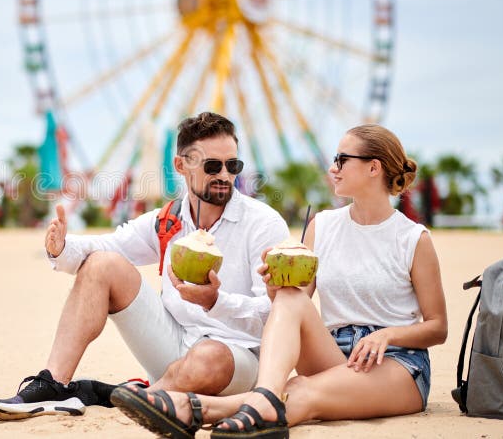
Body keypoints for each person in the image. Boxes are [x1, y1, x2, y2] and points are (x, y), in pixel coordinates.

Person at [112, 124, 448, 438]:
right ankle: (266, 395)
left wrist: (387, 335)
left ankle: (197, 408)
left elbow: (437, 327)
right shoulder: (323, 225)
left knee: (303, 391)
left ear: (374, 168)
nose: (333, 168)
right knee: (289, 299)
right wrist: (275, 286)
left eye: (342, 160)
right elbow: (297, 302)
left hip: (396, 363)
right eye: (335, 159)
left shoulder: (412, 239)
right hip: (335, 352)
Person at [0, 112, 289, 420]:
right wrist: (62, 246)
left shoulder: (263, 224)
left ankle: (132, 397)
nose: (225, 175)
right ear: (180, 166)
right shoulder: (168, 220)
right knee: (102, 264)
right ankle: (54, 383)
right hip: (174, 343)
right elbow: (108, 246)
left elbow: (277, 318)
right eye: (212, 166)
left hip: (237, 359)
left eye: (233, 165)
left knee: (208, 357)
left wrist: (217, 302)